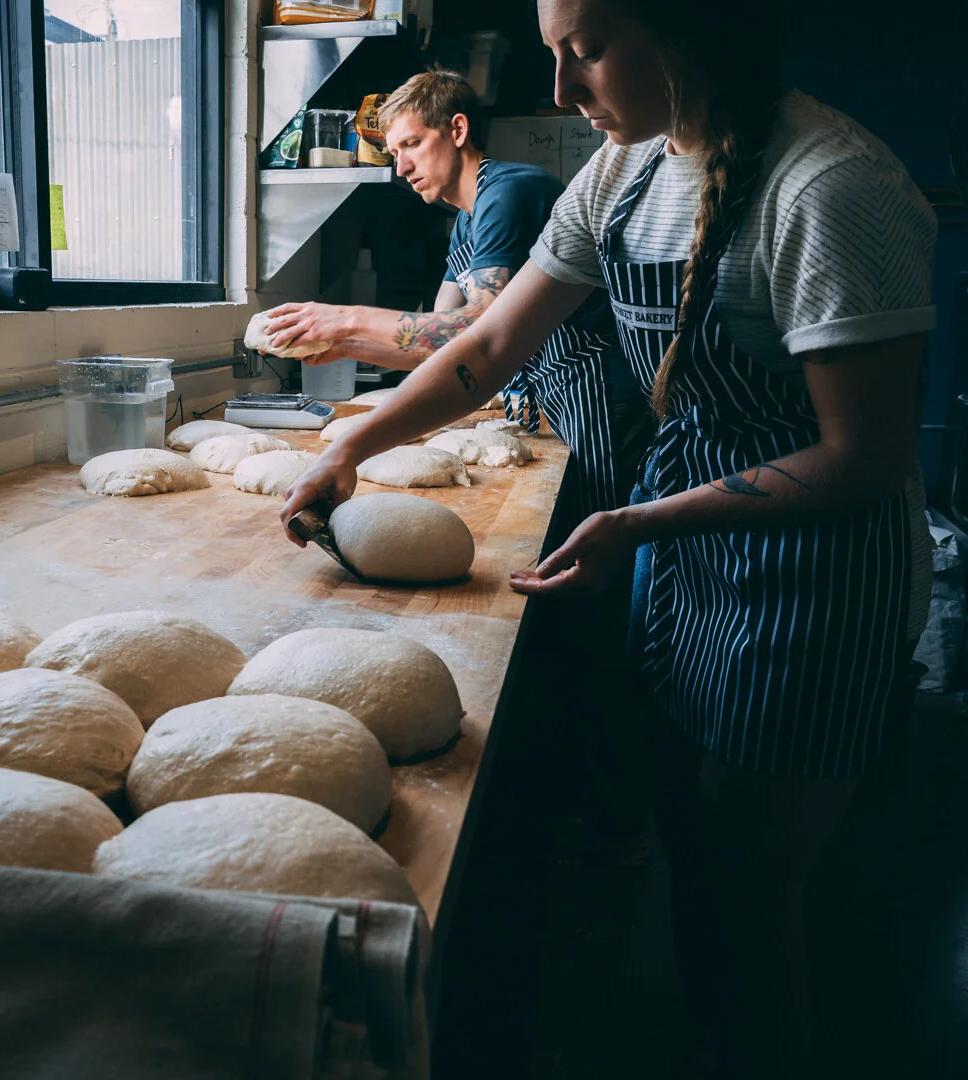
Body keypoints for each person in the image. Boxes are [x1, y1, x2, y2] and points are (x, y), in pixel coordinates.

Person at [279, 0, 937, 1076]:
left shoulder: (828, 188)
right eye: (554, 53)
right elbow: (492, 343)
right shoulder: (624, 171)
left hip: (816, 583)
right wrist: (352, 446)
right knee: (691, 847)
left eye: (584, 52)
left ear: (691, 29)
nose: (559, 90)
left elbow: (861, 456)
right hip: (684, 558)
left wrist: (641, 521)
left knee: (752, 898)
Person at [262, 67, 651, 527]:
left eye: (411, 144)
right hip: (563, 396)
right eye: (394, 153)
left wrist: (345, 319)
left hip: (603, 394)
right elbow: (441, 345)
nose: (401, 167)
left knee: (607, 532)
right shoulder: (467, 221)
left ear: (458, 130)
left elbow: (478, 328)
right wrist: (343, 346)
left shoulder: (509, 192)